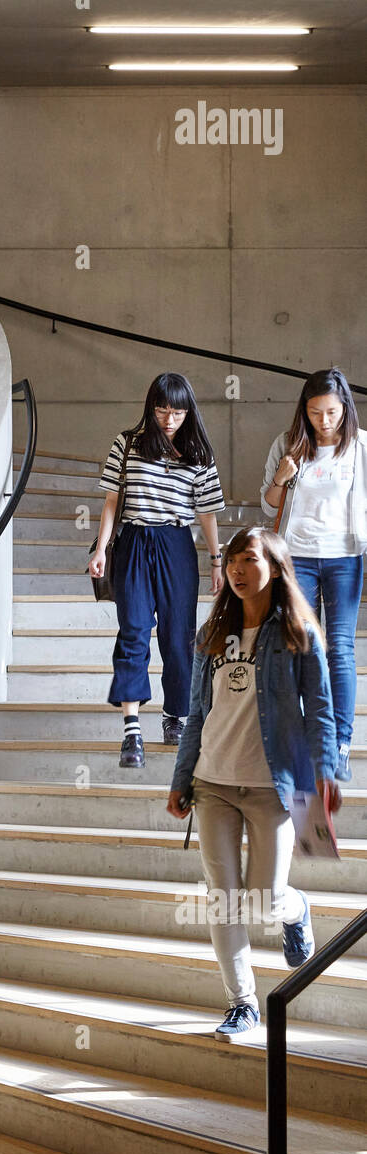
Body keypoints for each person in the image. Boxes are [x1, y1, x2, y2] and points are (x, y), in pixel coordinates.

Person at [167, 526, 340, 1038]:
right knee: (223, 897)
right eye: (232, 561)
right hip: (213, 784)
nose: (238, 570)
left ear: (275, 566)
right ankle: (242, 1002)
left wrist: (324, 778)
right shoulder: (211, 635)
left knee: (264, 900)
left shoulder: (298, 633)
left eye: (249, 559)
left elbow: (322, 713)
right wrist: (182, 778)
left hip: (274, 786)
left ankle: (297, 909)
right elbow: (197, 713)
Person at [89, 372, 225, 769]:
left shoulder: (198, 453)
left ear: (188, 412)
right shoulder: (127, 443)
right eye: (162, 411)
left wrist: (217, 561)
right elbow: (112, 500)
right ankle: (132, 729)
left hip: (176, 546)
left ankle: (175, 716)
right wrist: (100, 549)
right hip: (132, 542)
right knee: (133, 630)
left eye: (178, 412)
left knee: (178, 636)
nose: (169, 420)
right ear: (151, 407)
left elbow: (207, 512)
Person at [260, 366, 367, 782]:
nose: (325, 421)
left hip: (344, 558)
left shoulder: (359, 447)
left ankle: (339, 743)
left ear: (345, 410)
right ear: (304, 410)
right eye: (316, 412)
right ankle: (302, 740)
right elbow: (269, 507)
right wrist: (280, 478)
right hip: (297, 559)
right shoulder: (287, 445)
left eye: (332, 413)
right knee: (300, 646)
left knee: (340, 647)